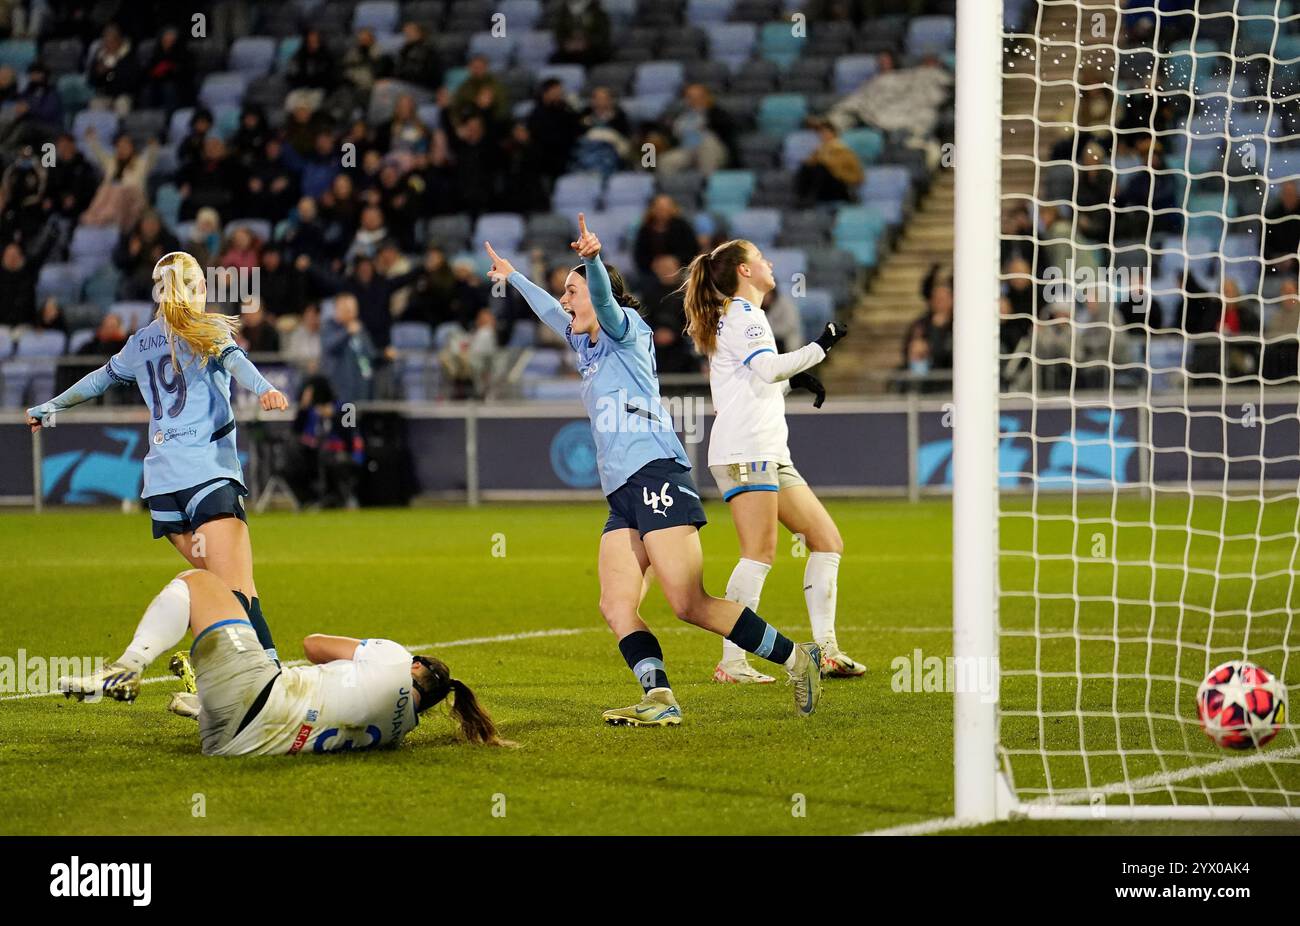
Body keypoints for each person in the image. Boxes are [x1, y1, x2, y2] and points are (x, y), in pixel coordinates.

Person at [485, 215, 824, 723]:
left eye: (571, 292)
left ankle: (798, 659)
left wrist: (592, 262)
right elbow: (552, 312)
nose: (566, 302)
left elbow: (601, 301)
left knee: (689, 603)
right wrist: (513, 276)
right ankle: (659, 698)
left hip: (656, 473)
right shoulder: (586, 344)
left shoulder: (626, 329)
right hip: (621, 490)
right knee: (616, 605)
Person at [26, 252, 290, 679]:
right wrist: (266, 389)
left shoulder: (140, 342)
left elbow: (98, 380)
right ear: (197, 288)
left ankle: (211, 675)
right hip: (208, 477)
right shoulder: (207, 330)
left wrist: (50, 407)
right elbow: (237, 362)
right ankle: (272, 680)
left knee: (213, 588)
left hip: (164, 489)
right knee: (239, 590)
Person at [56, 568, 509, 754]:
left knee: (199, 582)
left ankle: (128, 665)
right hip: (231, 745)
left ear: (416, 668)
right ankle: (203, 704)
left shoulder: (394, 660)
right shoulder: (398, 734)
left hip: (259, 694)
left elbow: (313, 644)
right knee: (296, 690)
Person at [680, 239, 865, 683]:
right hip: (747, 450)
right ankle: (733, 661)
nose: (769, 263)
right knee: (759, 554)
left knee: (826, 540)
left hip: (767, 451)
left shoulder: (739, 318)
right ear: (744, 271)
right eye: (760, 257)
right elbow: (766, 369)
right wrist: (822, 345)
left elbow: (755, 381)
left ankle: (825, 650)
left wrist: (794, 379)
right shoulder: (744, 315)